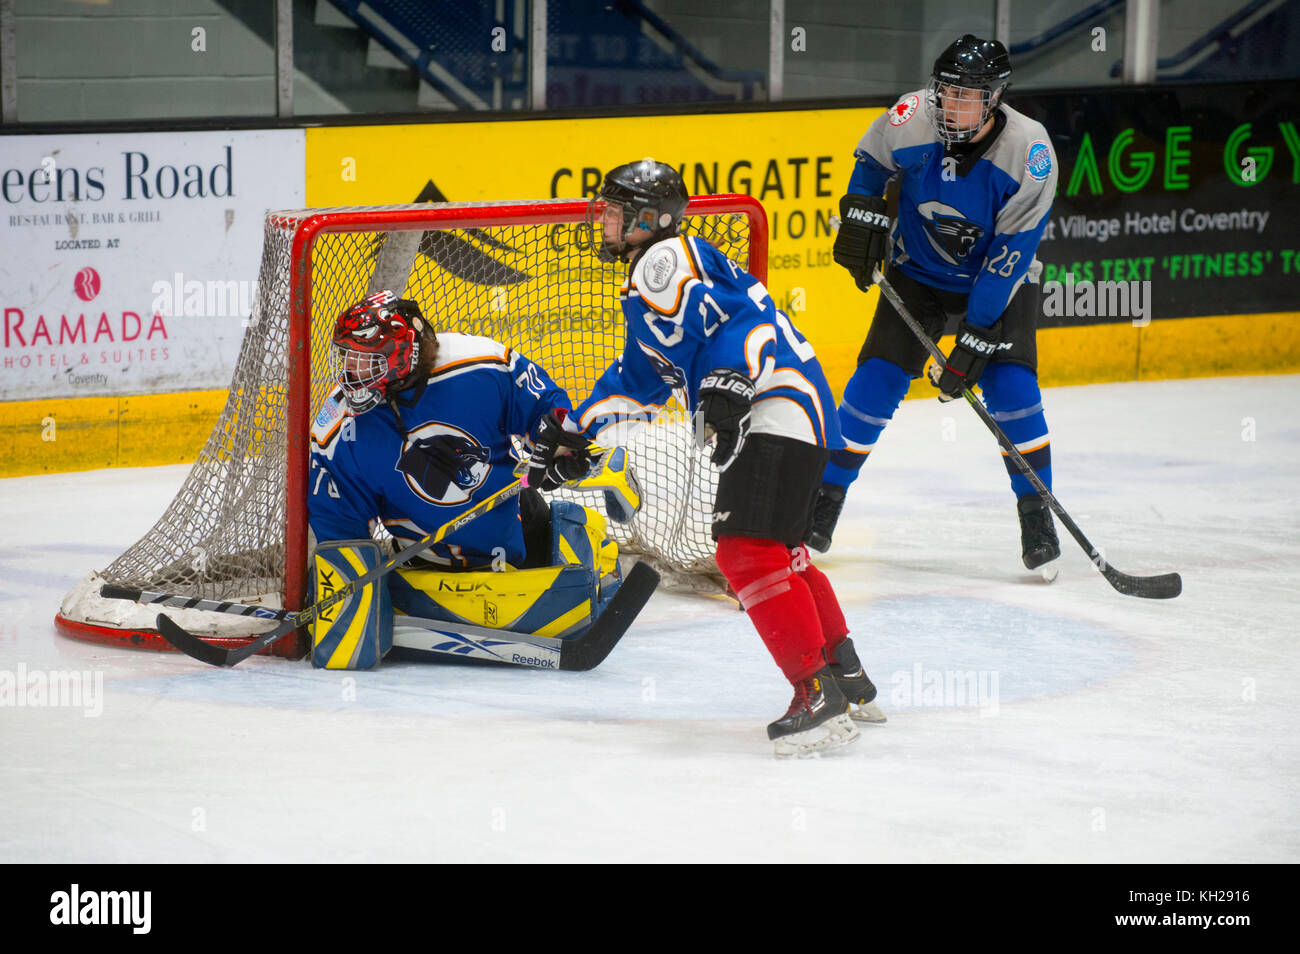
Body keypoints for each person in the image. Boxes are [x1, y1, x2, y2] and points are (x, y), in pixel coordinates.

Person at [527, 159, 885, 757]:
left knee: (744, 551)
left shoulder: (664, 262)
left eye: (616, 211)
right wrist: (579, 433)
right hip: (794, 409)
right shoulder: (653, 279)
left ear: (650, 219)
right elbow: (635, 381)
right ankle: (845, 674)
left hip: (778, 408)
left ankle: (814, 693)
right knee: (782, 555)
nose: (605, 221)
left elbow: (748, 322)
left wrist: (728, 379)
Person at [810, 34, 1062, 579]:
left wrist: (976, 334)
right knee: (871, 387)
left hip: (997, 286)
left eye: (967, 96)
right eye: (946, 92)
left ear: (994, 99)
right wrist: (861, 216)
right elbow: (871, 163)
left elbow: (1009, 256)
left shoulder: (1030, 152)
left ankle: (1035, 514)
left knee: (1015, 394)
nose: (951, 105)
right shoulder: (910, 117)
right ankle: (823, 502)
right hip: (918, 276)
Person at [307, 290, 619, 668]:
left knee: (569, 533)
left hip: (517, 542)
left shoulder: (481, 366)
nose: (352, 373)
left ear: (404, 354)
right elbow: (338, 525)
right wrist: (340, 600)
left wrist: (557, 444)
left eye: (367, 361)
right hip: (425, 568)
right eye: (348, 357)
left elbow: (544, 408)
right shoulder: (338, 431)